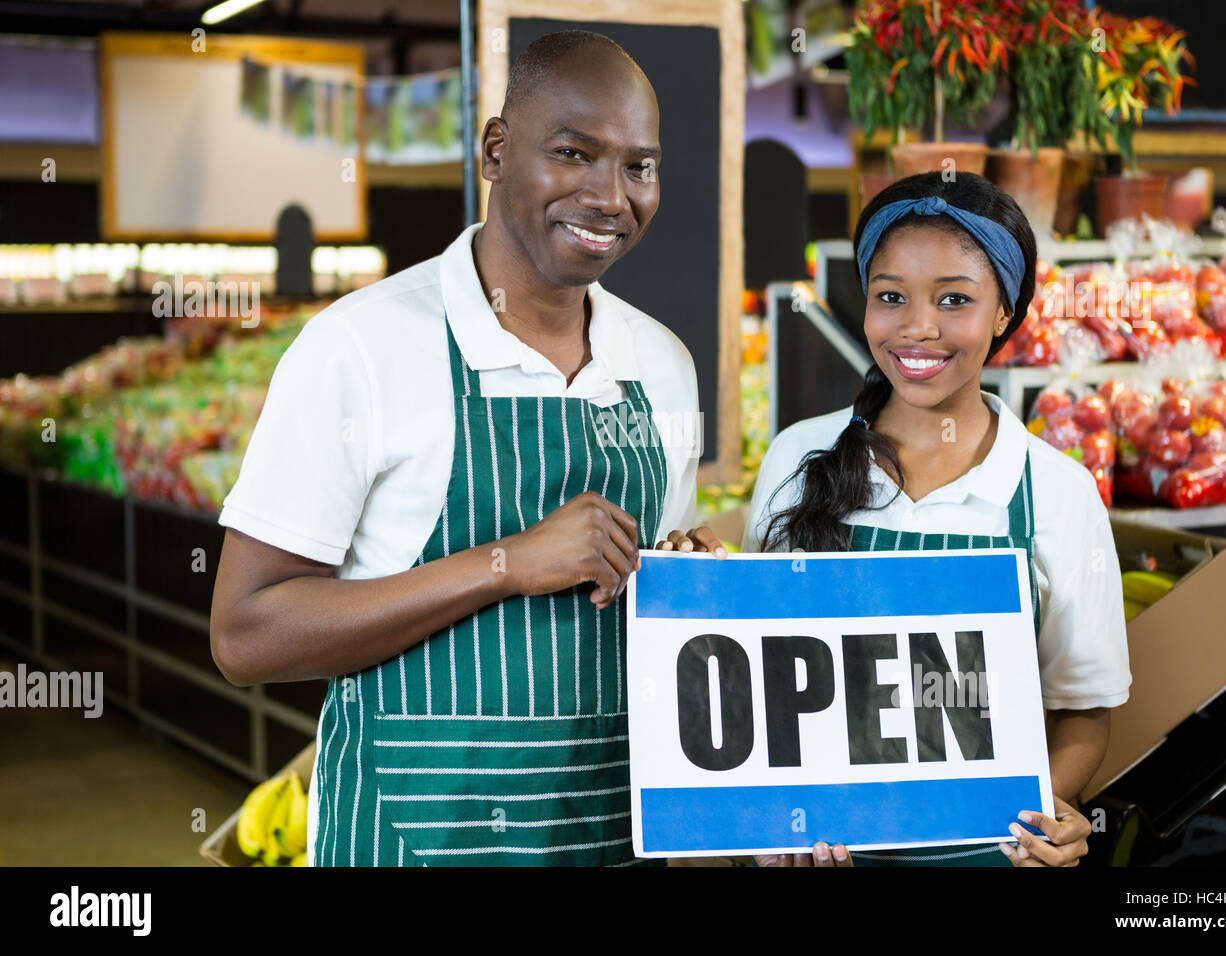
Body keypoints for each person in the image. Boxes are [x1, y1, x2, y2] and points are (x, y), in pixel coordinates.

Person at [210, 30, 700, 867]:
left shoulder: (662, 363)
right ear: (496, 150)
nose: (610, 196)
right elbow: (246, 635)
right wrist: (510, 561)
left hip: (616, 834)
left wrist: (686, 575)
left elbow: (644, 599)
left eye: (638, 166)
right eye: (574, 153)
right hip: (417, 837)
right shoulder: (362, 348)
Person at [660, 171, 1130, 867]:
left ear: (1005, 311)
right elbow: (752, 684)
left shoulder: (1057, 493)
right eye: (890, 297)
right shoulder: (800, 456)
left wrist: (1041, 820)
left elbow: (1083, 711)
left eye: (954, 299)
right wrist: (697, 592)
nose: (917, 327)